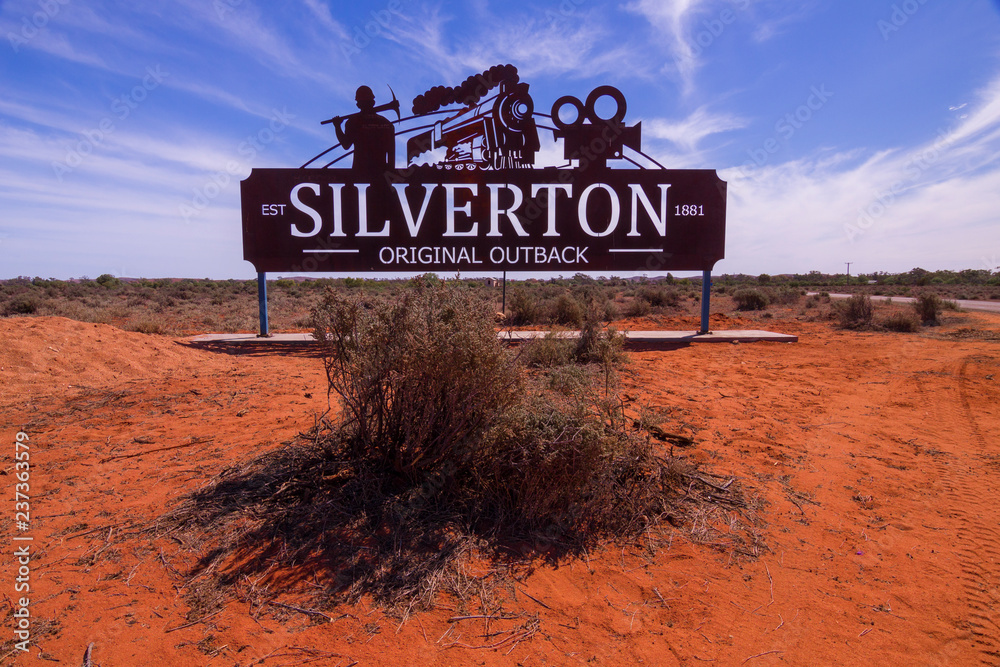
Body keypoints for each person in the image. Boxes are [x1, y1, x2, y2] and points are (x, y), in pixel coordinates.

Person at [334, 86, 395, 174]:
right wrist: (391, 173)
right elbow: (391, 153)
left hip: (360, 169)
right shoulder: (387, 124)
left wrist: (337, 127)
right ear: (373, 102)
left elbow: (346, 145)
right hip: (381, 170)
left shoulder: (353, 122)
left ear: (358, 104)